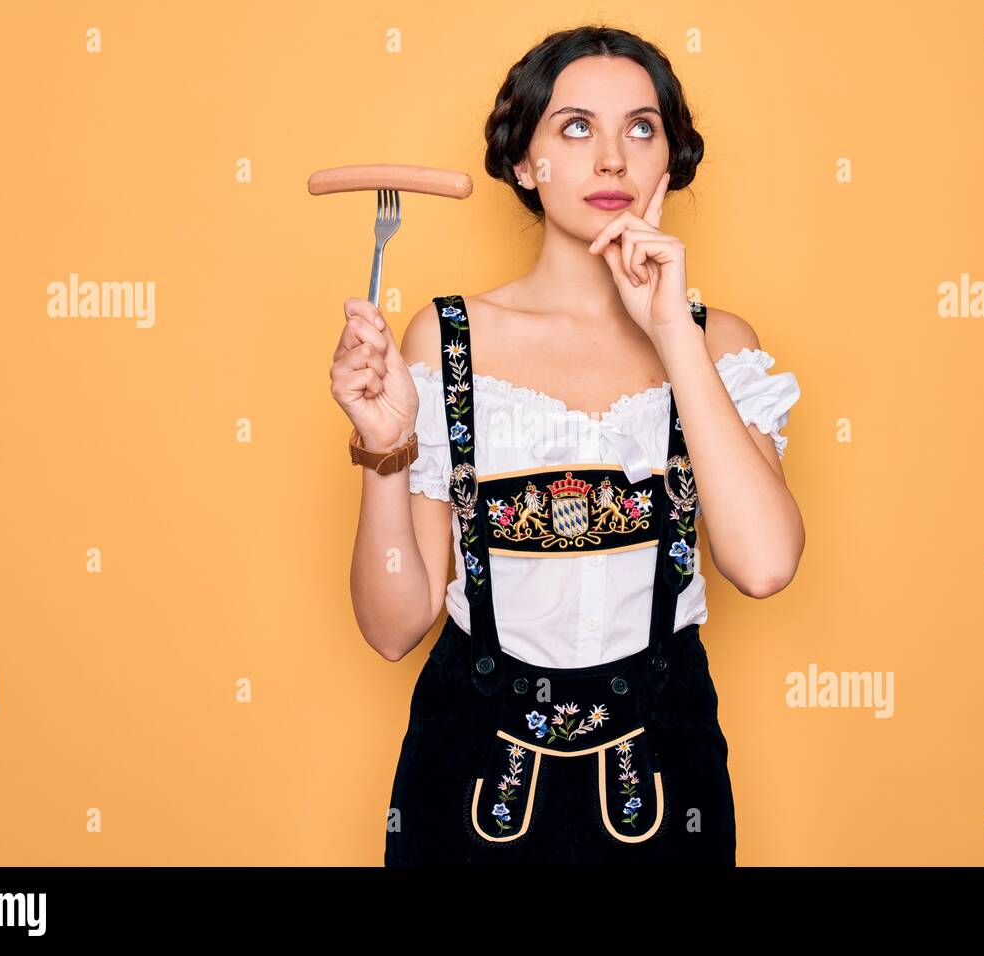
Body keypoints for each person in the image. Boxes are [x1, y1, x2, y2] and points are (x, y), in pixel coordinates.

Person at [331, 25, 804, 866]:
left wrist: (672, 333)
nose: (613, 159)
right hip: (468, 782)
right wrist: (386, 450)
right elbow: (395, 627)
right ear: (523, 160)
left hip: (666, 783)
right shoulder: (446, 341)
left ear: (671, 160)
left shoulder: (717, 343)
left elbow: (764, 567)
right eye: (577, 127)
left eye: (642, 128)